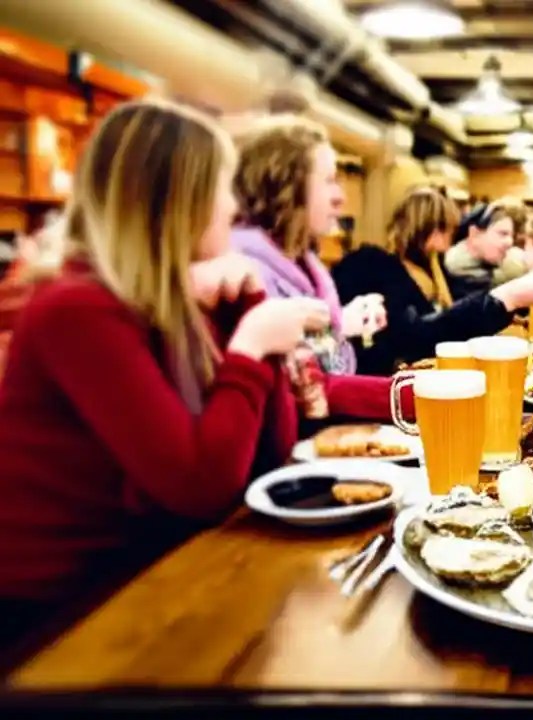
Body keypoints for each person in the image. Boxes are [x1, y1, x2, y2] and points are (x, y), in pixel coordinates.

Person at [0, 101, 329, 642]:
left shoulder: (171, 297)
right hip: (57, 610)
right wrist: (250, 347)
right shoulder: (76, 307)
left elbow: (267, 461)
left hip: (148, 567)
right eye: (223, 187)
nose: (233, 205)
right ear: (178, 201)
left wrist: (247, 313)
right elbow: (198, 484)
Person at [330, 189, 533, 376]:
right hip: (390, 384)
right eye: (447, 229)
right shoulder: (376, 266)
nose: (452, 235)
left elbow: (450, 314)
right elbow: (416, 336)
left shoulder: (432, 267)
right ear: (429, 228)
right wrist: (503, 300)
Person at [229, 116, 387, 376]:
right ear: (286, 187)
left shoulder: (304, 267)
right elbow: (303, 389)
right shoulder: (249, 275)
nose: (340, 198)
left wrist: (344, 322)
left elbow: (329, 369)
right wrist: (402, 393)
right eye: (329, 180)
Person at [444, 201, 528, 301]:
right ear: (474, 234)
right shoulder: (452, 268)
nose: (510, 242)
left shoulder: (505, 260)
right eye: (502, 234)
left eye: (511, 236)